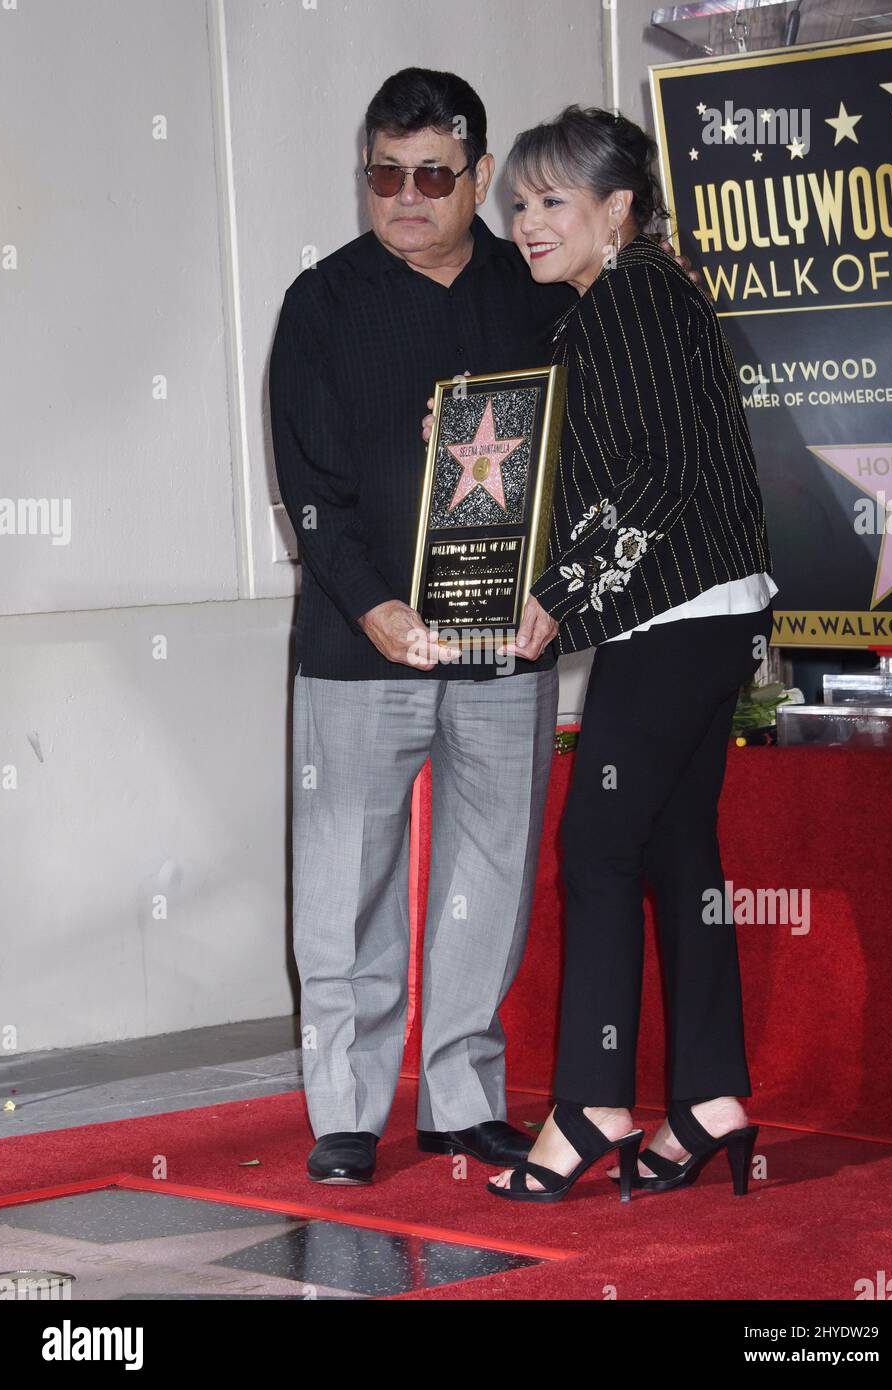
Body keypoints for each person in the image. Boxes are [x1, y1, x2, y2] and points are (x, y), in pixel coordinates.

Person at [269, 70, 695, 1187]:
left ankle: (460, 1099)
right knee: (344, 881)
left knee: (491, 875)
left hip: (512, 638)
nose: (403, 196)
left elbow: (617, 435)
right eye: (381, 174)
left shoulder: (543, 287)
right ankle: (347, 1112)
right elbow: (308, 487)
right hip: (358, 647)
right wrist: (375, 606)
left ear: (477, 168)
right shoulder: (320, 302)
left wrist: (553, 595)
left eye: (430, 175)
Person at [486, 106, 776, 1204]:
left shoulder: (629, 296)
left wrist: (556, 596)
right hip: (707, 608)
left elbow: (656, 474)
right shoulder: (635, 298)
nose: (525, 221)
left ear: (618, 211)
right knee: (673, 850)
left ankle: (591, 1101)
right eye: (518, 202)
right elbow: (631, 461)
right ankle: (708, 1096)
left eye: (552, 200)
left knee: (597, 847)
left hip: (676, 612)